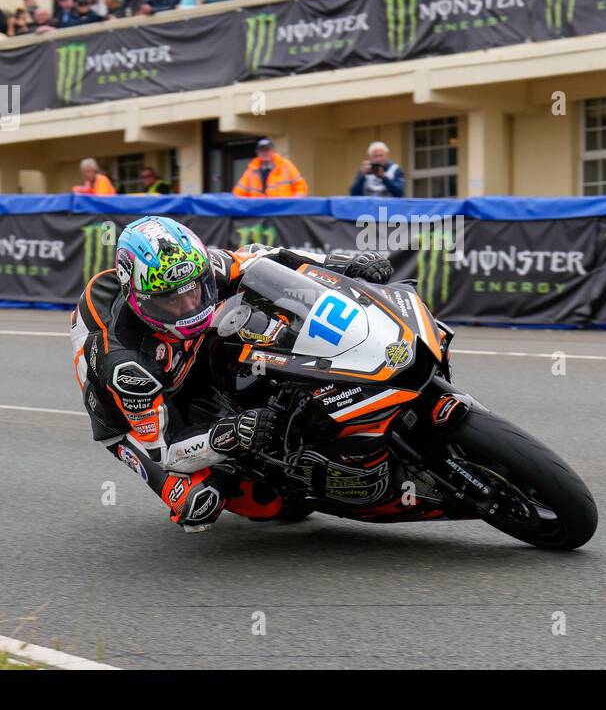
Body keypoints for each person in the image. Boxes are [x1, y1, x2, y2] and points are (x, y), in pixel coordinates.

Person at [68, 216, 393, 531]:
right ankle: (236, 477)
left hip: (186, 352)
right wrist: (232, 433)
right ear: (139, 300)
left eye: (194, 290)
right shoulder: (126, 364)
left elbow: (266, 259)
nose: (188, 308)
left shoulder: (192, 267)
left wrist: (341, 263)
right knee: (203, 501)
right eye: (170, 301)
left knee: (260, 320)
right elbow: (164, 450)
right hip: (135, 420)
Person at [233, 138, 308, 198]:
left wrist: (293, 205)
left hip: (283, 213)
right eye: (262, 150)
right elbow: (238, 194)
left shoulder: (286, 166)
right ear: (257, 153)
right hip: (259, 212)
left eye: (267, 150)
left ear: (273, 151)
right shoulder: (251, 171)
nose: (264, 153)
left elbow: (301, 188)